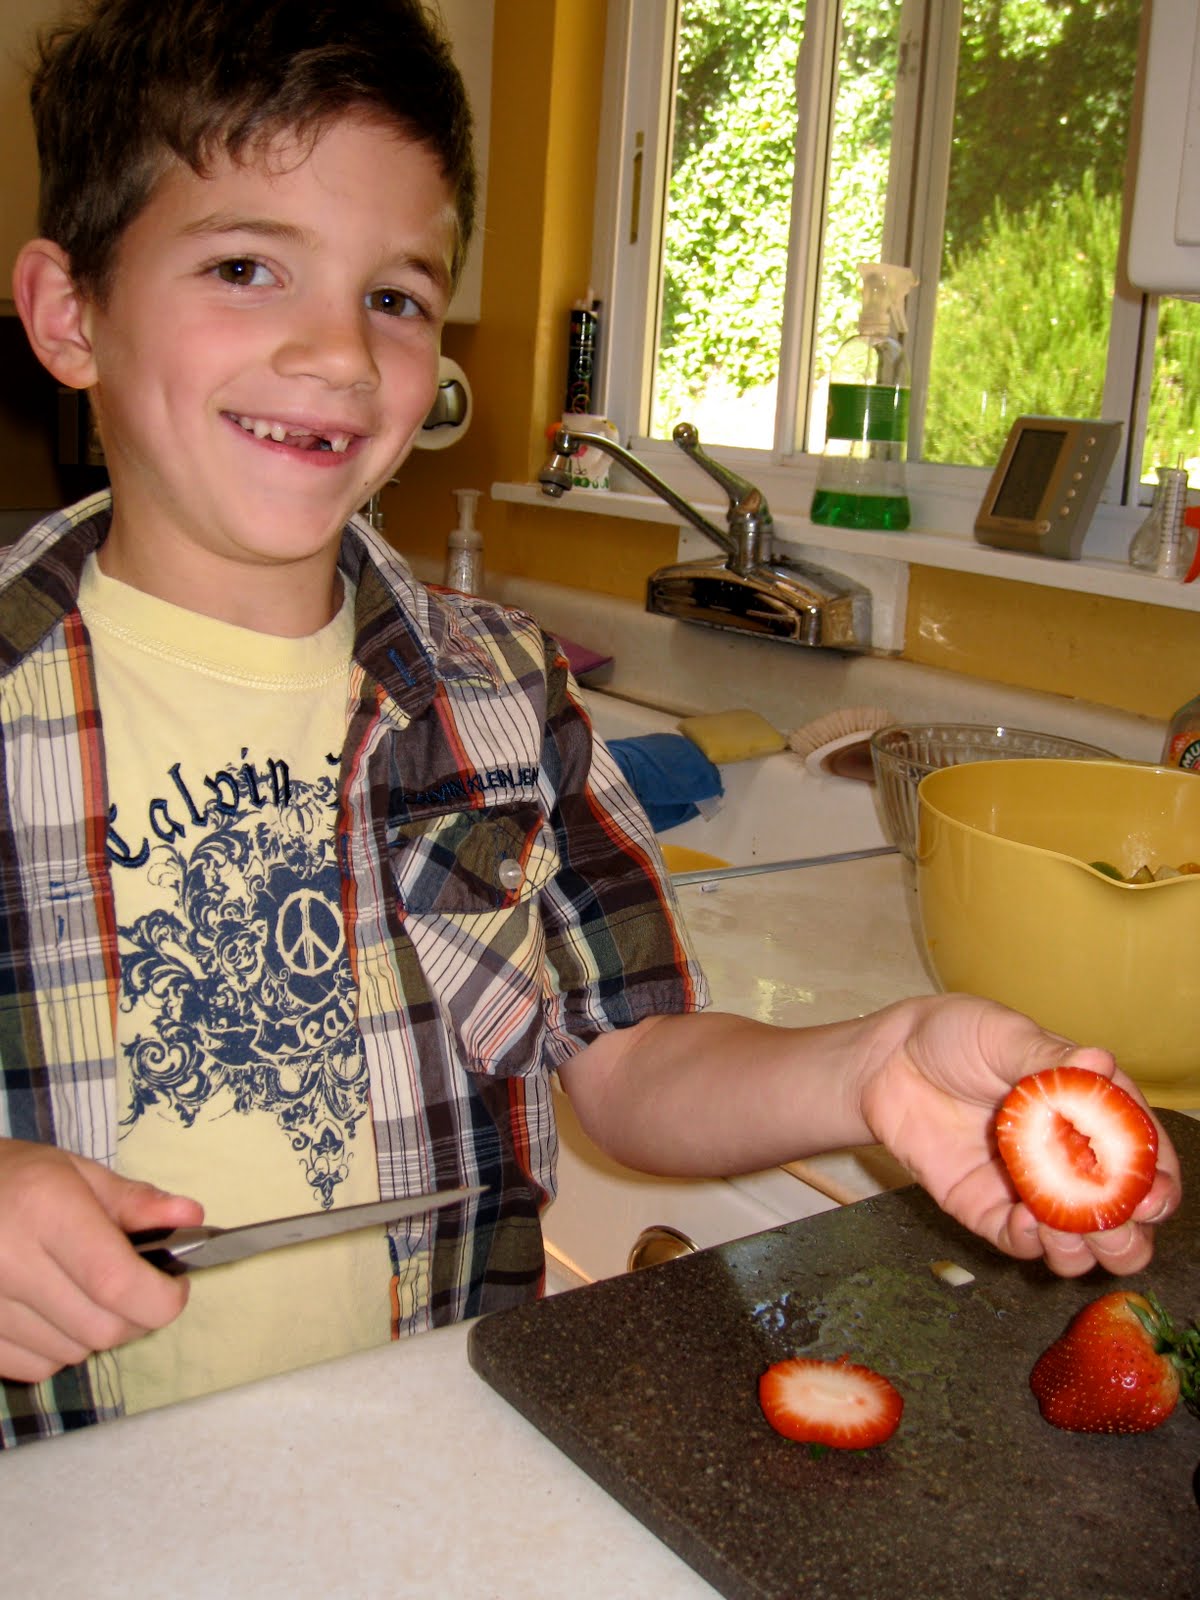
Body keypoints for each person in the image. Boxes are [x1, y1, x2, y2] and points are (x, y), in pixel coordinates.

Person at [0, 0, 1180, 1450]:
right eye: (246, 267)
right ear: (69, 314)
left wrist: (871, 1062)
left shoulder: (501, 689)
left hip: (431, 1453)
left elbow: (627, 1067)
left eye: (396, 294)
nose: (335, 356)